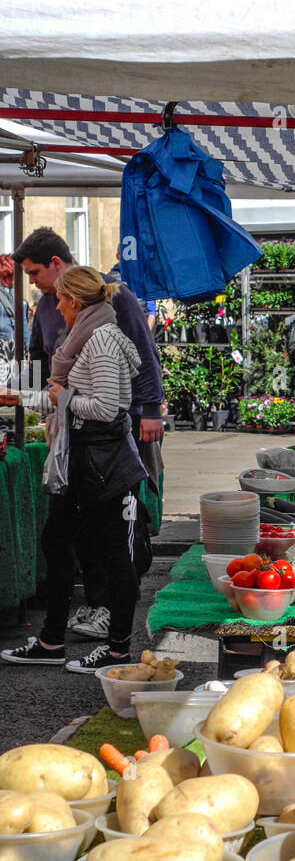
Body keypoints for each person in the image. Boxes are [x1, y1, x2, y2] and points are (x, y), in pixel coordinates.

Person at [13, 227, 164, 639]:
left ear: (57, 267)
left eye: (33, 273)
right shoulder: (47, 306)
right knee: (77, 532)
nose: (33, 284)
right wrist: (35, 400)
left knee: (112, 532)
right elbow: (45, 363)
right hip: (75, 437)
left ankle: (114, 633)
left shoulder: (113, 305)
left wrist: (151, 411)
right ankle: (82, 622)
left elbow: (137, 364)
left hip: (109, 437)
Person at [0, 267, 146, 673]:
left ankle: (118, 652)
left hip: (103, 467)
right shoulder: (86, 336)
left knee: (113, 557)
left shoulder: (99, 341)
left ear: (77, 302)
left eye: (61, 300)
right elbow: (67, 401)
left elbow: (107, 409)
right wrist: (20, 397)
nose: (57, 306)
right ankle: (51, 642)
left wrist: (63, 397)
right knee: (56, 542)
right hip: (80, 464)